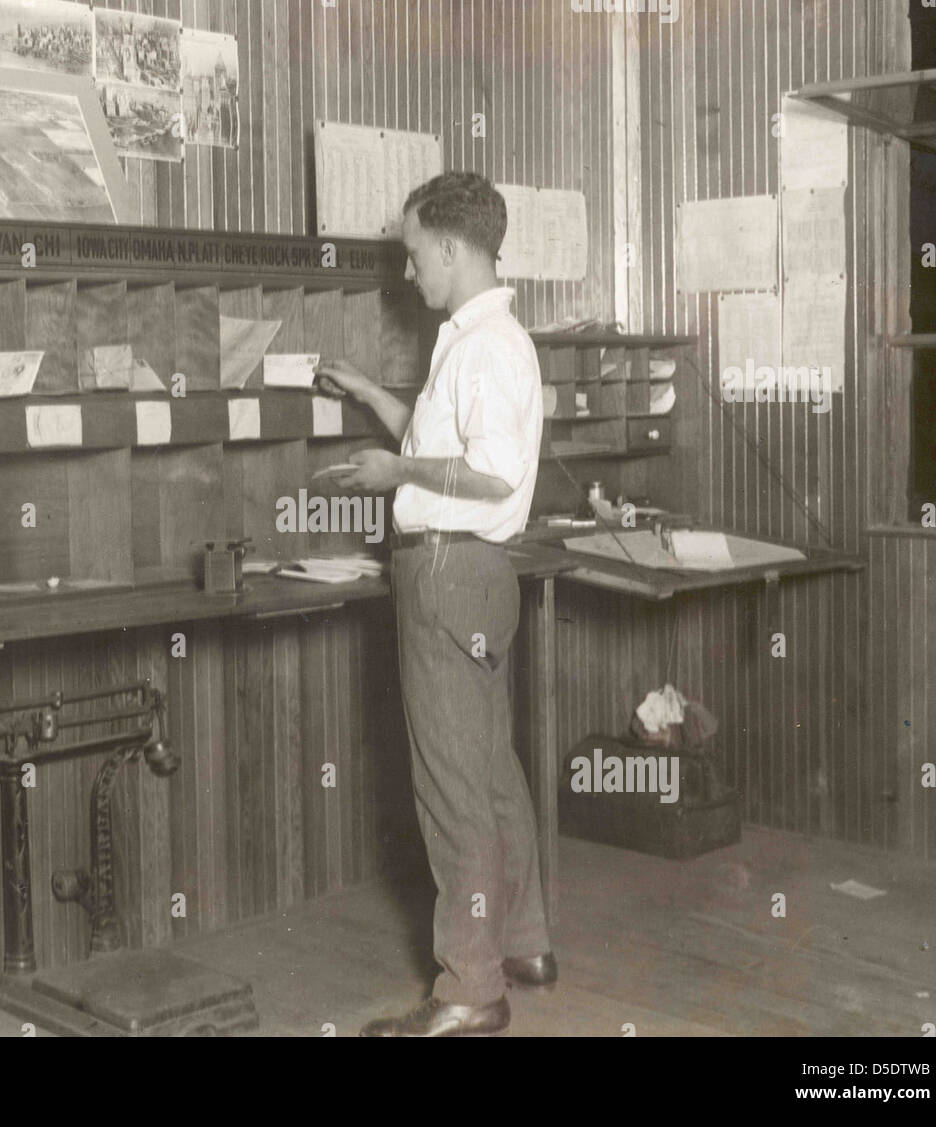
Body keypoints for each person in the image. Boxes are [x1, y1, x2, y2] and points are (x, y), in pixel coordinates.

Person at [316, 171, 555, 1037]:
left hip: (448, 574)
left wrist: (396, 473)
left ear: (452, 248)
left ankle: (469, 987)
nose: (409, 274)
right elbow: (450, 436)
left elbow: (487, 472)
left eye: (415, 257)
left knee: (452, 789)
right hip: (478, 575)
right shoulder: (483, 337)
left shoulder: (486, 345)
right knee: (489, 771)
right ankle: (524, 941)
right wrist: (375, 398)